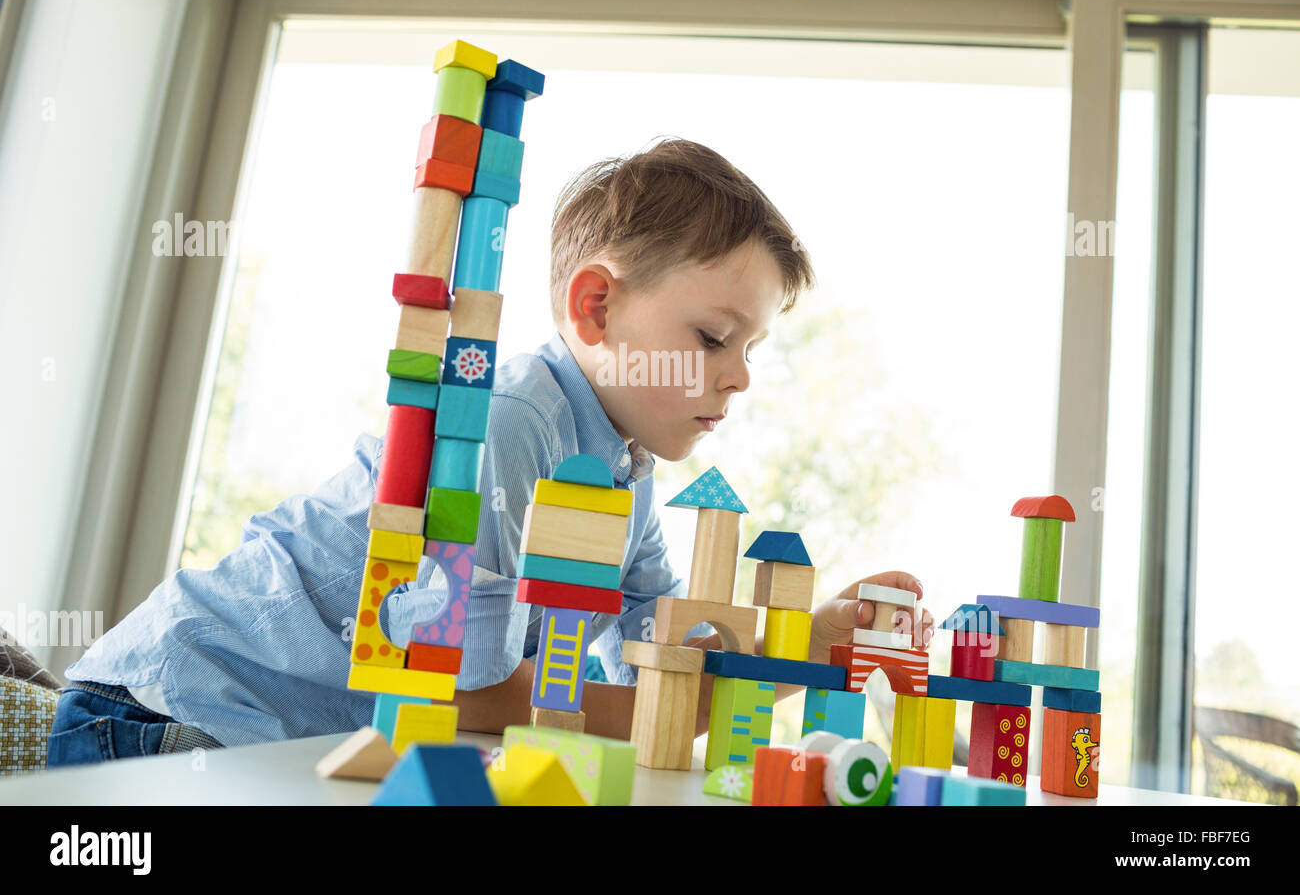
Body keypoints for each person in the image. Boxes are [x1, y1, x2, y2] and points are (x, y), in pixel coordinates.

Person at [46, 136, 933, 766]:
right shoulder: (512, 426)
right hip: (170, 717)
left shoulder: (625, 473)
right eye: (712, 336)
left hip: (277, 739)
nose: (740, 378)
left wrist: (798, 642)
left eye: (754, 351)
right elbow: (475, 699)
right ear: (595, 309)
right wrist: (782, 671)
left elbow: (656, 656)